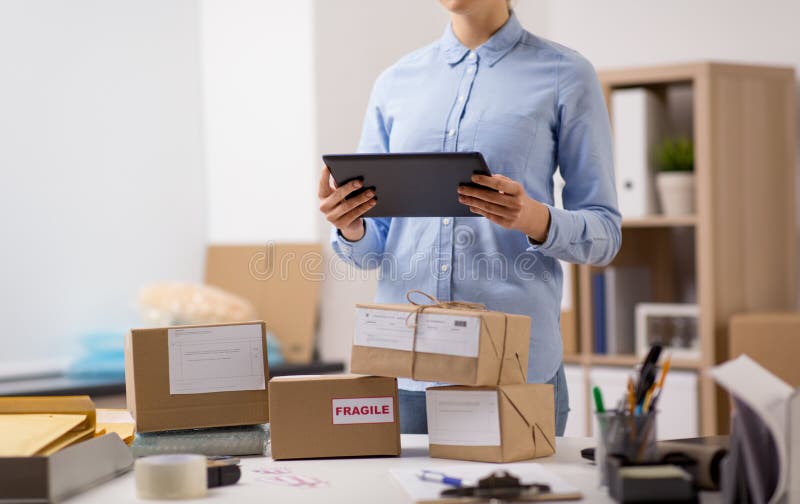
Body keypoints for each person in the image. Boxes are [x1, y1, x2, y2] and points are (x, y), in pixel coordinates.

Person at [318, 0, 621, 436]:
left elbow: (605, 234)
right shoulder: (395, 82)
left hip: (515, 371)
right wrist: (349, 225)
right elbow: (370, 251)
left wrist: (534, 218)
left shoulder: (565, 74)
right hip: (403, 369)